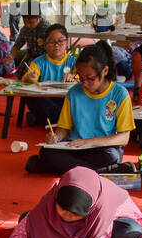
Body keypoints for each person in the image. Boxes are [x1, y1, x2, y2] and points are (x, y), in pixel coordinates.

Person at [10, 167, 142, 238]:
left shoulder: (101, 208)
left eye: (76, 214)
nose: (68, 216)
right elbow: (19, 235)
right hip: (78, 234)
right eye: (62, 209)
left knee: (131, 233)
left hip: (110, 223)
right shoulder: (51, 199)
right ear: (55, 201)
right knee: (26, 220)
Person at [26, 43, 133, 175]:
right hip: (76, 148)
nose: (85, 83)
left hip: (102, 148)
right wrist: (56, 137)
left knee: (111, 157)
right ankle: (100, 172)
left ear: (105, 71)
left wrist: (91, 141)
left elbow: (124, 138)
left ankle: (49, 167)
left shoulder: (119, 93)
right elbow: (64, 129)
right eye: (81, 79)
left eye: (91, 78)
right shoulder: (74, 92)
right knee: (47, 152)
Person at [20, 23, 78, 127]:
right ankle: (63, 118)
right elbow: (27, 78)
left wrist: (74, 77)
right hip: (45, 99)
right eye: (51, 41)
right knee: (32, 98)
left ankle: (41, 118)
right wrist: (30, 78)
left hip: (65, 99)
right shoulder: (38, 62)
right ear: (45, 44)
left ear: (67, 41)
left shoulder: (74, 62)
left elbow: (81, 77)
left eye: (60, 41)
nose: (56, 45)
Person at [8, 0, 50, 67]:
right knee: (21, 74)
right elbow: (17, 45)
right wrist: (11, 56)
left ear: (39, 17)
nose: (27, 25)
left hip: (45, 59)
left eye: (30, 22)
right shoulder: (25, 30)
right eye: (25, 22)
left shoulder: (46, 29)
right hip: (31, 56)